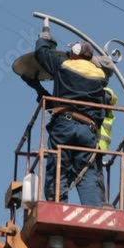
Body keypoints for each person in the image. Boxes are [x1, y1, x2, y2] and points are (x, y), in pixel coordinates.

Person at [29, 28, 110, 206]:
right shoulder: (100, 77)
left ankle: (57, 207)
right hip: (88, 130)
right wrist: (40, 90)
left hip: (64, 126)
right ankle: (93, 210)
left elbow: (41, 53)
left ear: (74, 53)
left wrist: (45, 39)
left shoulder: (64, 65)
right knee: (87, 173)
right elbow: (82, 106)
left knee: (58, 168)